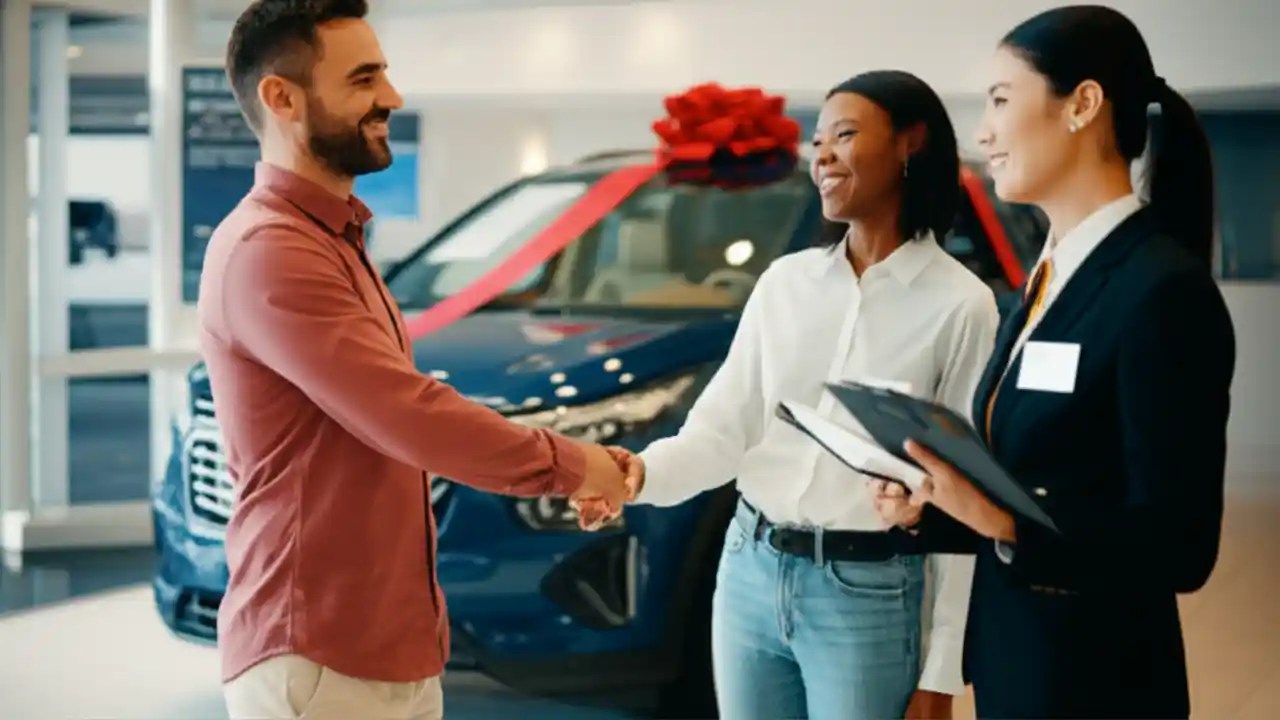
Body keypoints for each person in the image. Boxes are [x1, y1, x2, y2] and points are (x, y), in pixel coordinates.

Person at [200, 2, 629, 718]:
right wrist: (580, 465)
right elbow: (407, 414)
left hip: (386, 645)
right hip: (316, 649)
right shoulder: (271, 250)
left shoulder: (331, 239)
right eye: (364, 78)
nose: (392, 98)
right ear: (282, 97)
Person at [585, 71, 1000, 720]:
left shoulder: (961, 306)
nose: (823, 155)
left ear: (910, 143)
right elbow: (723, 428)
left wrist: (942, 672)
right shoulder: (785, 283)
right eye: (817, 141)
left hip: (868, 592)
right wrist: (640, 474)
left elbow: (961, 504)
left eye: (845, 134)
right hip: (749, 570)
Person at [870, 6, 1237, 719]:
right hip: (1022, 664)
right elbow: (1049, 482)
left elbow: (1178, 546)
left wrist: (1006, 523)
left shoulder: (1159, 289)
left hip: (1102, 682)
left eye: (1001, 100)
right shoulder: (1046, 280)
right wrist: (933, 508)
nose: (982, 132)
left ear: (1083, 105)